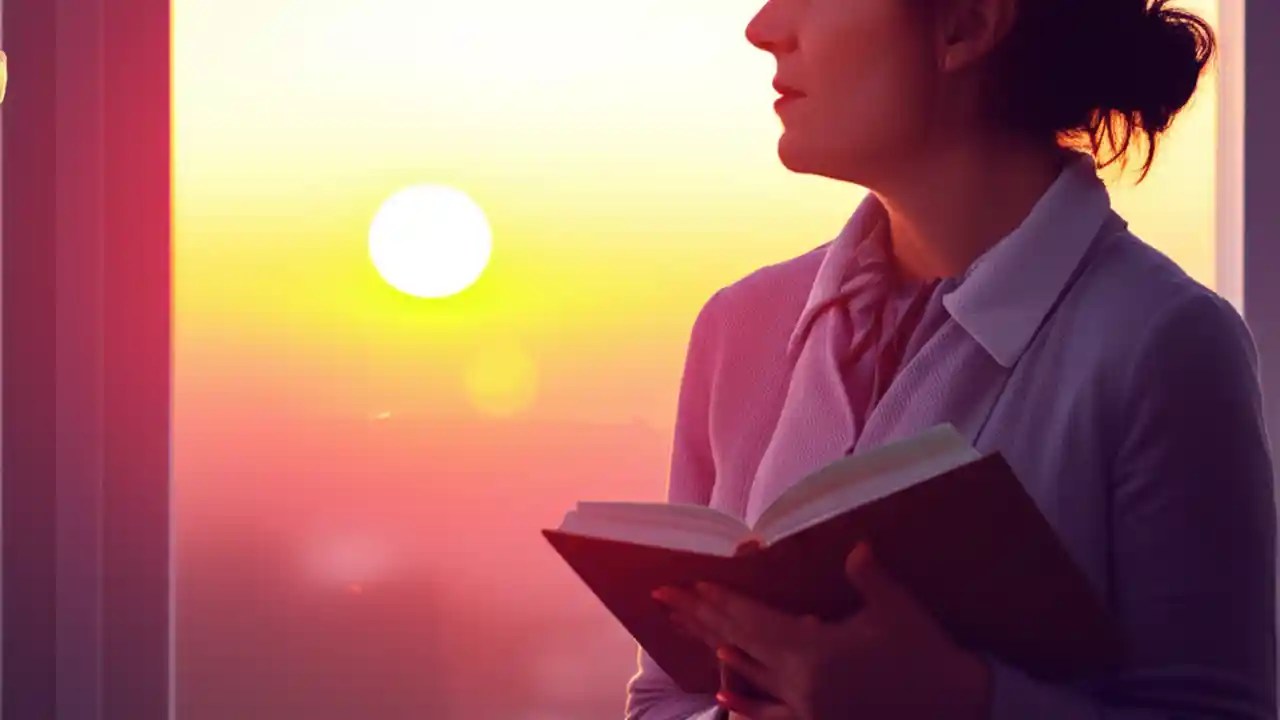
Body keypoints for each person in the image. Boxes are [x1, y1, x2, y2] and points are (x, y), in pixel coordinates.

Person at [627, 0, 1276, 719]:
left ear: (966, 25)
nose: (764, 27)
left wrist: (958, 702)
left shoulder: (1164, 343)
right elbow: (663, 698)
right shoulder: (739, 327)